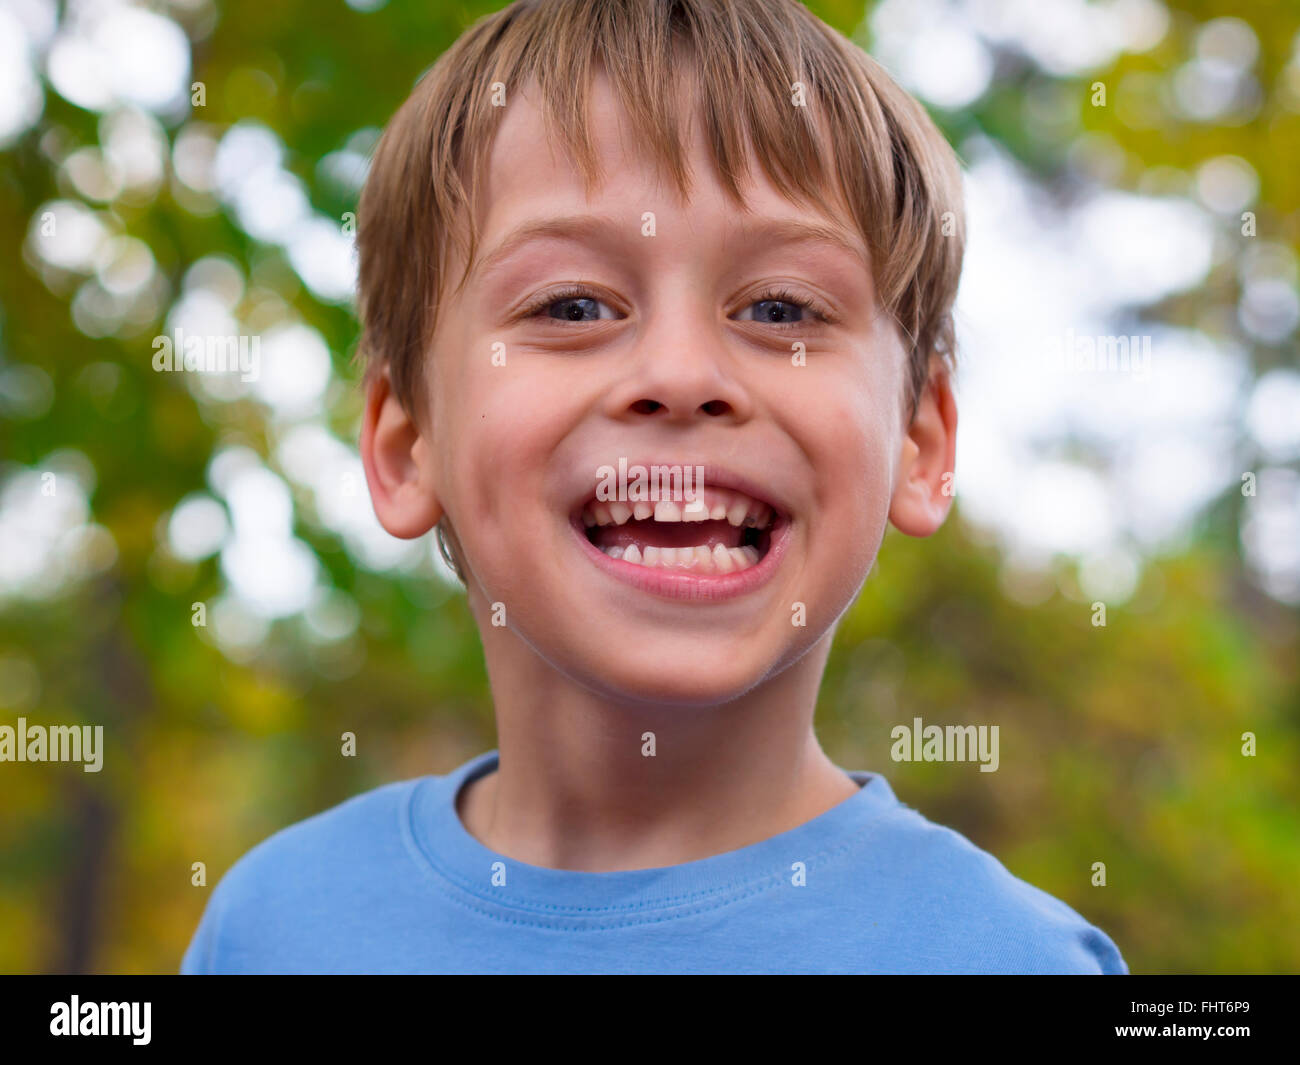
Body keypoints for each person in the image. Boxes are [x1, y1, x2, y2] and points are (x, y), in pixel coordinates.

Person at [182, 0, 1127, 974]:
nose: (680, 374)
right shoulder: (276, 926)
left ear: (921, 441)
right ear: (404, 442)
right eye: (574, 306)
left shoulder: (1009, 961)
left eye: (780, 308)